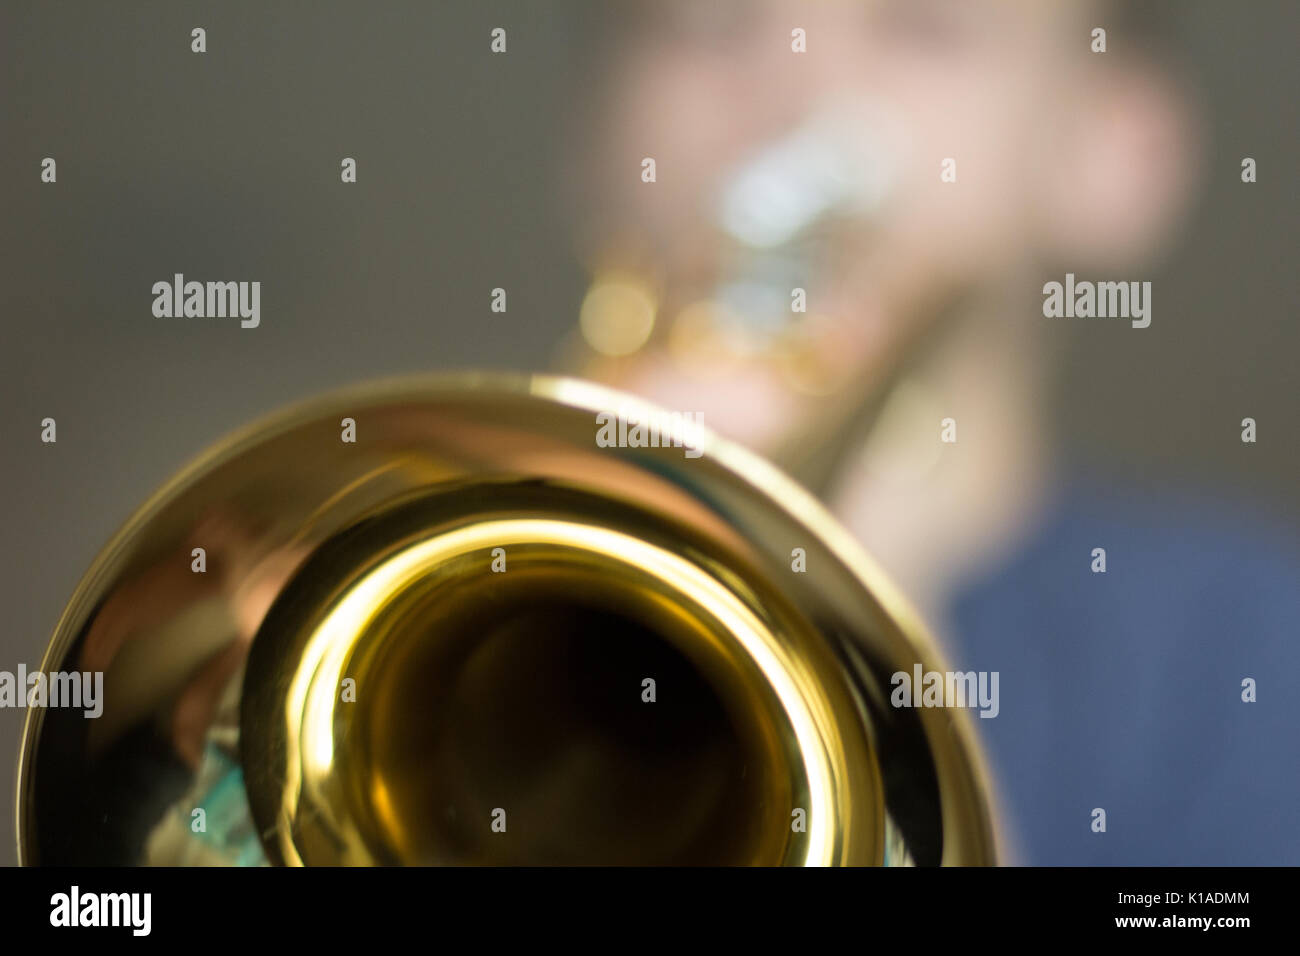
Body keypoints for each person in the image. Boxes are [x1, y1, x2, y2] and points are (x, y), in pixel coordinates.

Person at [557, 0, 1300, 863]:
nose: (799, 92)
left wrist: (869, 646)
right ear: (590, 134)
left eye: (925, 27)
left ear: (1124, 151)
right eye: (708, 22)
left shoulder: (1247, 645)